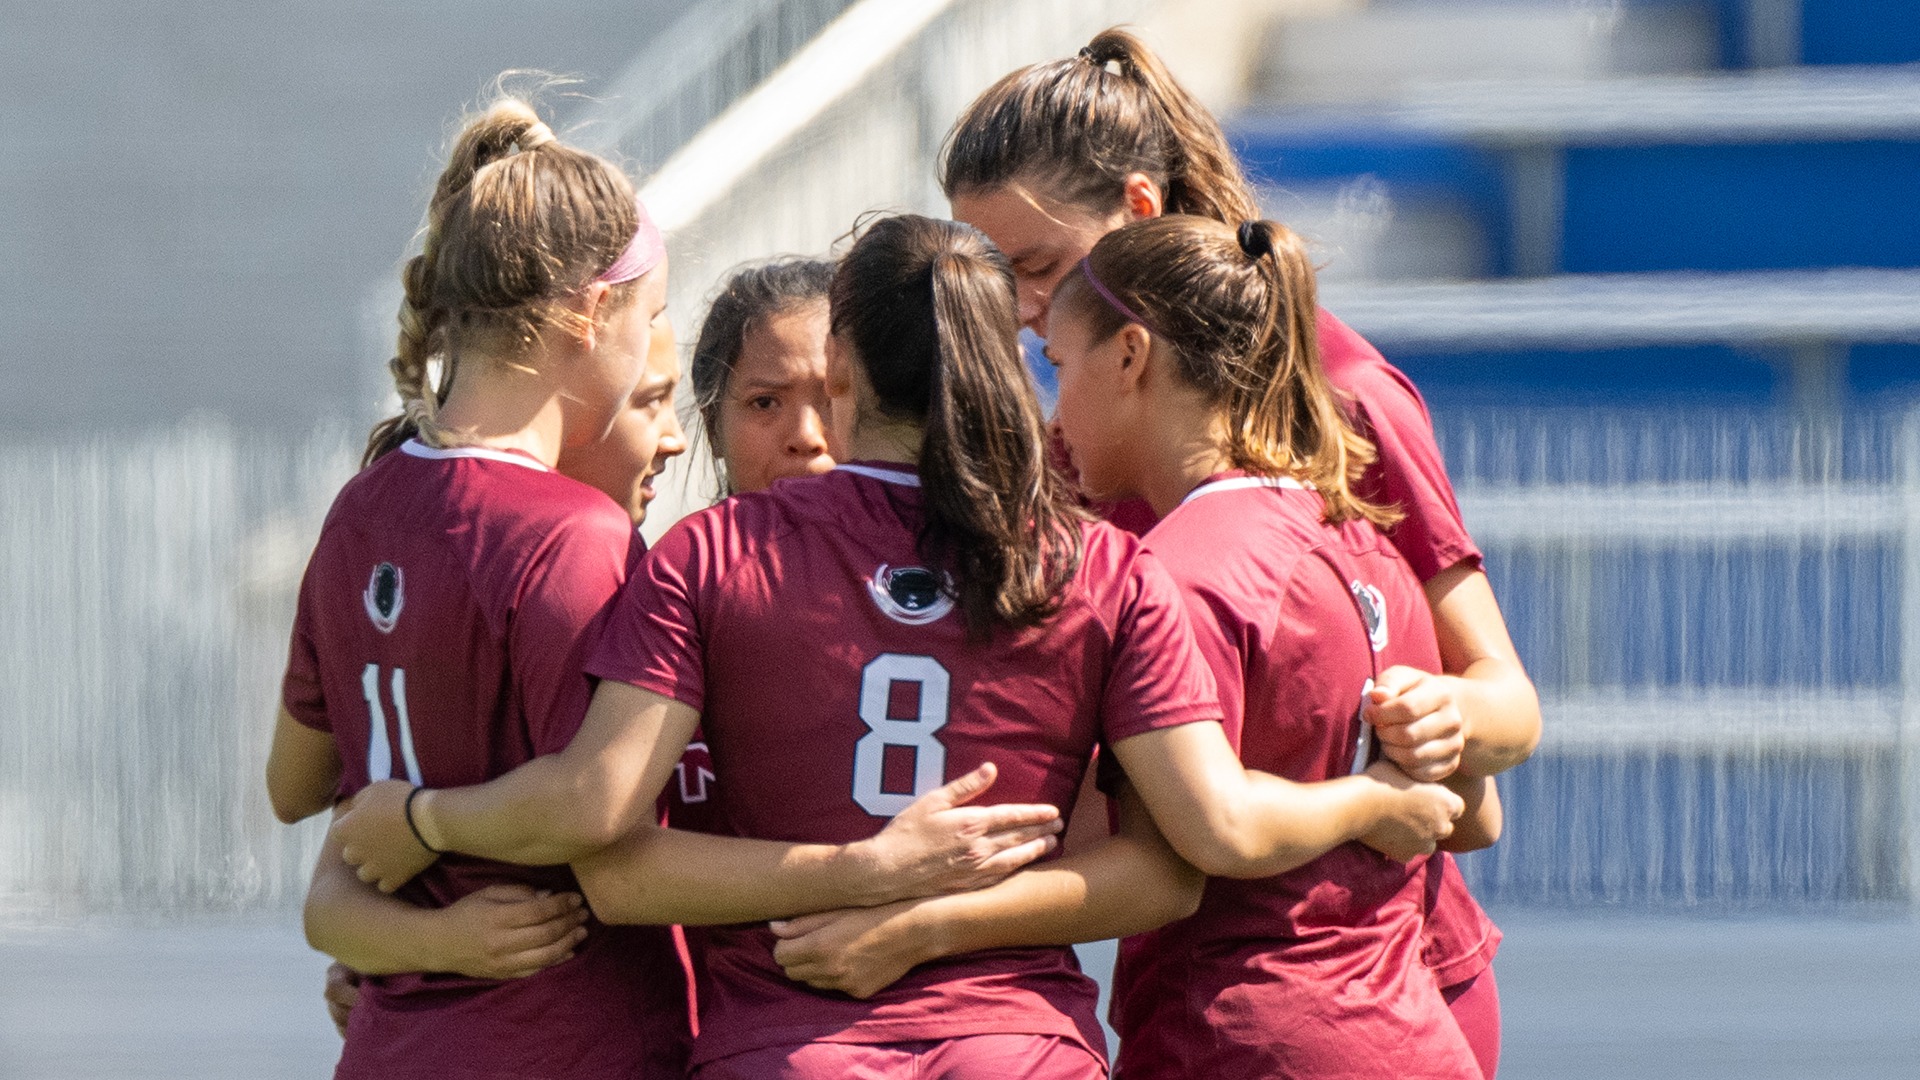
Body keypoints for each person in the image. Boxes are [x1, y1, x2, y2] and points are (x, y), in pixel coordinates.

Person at [329, 213, 1463, 1079]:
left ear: (844, 366)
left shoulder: (711, 557)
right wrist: (919, 909)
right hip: (1022, 1050)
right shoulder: (1101, 568)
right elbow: (1165, 872)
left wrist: (866, 891)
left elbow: (614, 864)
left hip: (790, 1050)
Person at [937, 28, 1539, 1074]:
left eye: (1037, 265)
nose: (1024, 303)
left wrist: (1435, 719)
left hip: (1376, 969)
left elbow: (1504, 710)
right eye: (1002, 273)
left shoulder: (1340, 394)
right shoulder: (1092, 436)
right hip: (1211, 979)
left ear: (1136, 211)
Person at [771, 216, 1491, 1080]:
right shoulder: (1361, 541)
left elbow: (1211, 832)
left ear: (1130, 358)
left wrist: (912, 916)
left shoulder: (1179, 572)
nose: (1054, 410)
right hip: (1409, 1031)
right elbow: (1473, 814)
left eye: (1060, 366)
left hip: (1249, 1036)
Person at [261, 96, 691, 1079]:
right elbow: (600, 817)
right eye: (653, 316)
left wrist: (409, 904)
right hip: (565, 1041)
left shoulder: (360, 509)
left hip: (392, 1046)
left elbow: (295, 785)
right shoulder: (576, 538)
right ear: (592, 312)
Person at [688, 257, 837, 497]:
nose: (806, 437)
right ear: (713, 428)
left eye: (835, 400)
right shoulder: (688, 536)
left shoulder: (916, 534)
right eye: (765, 402)